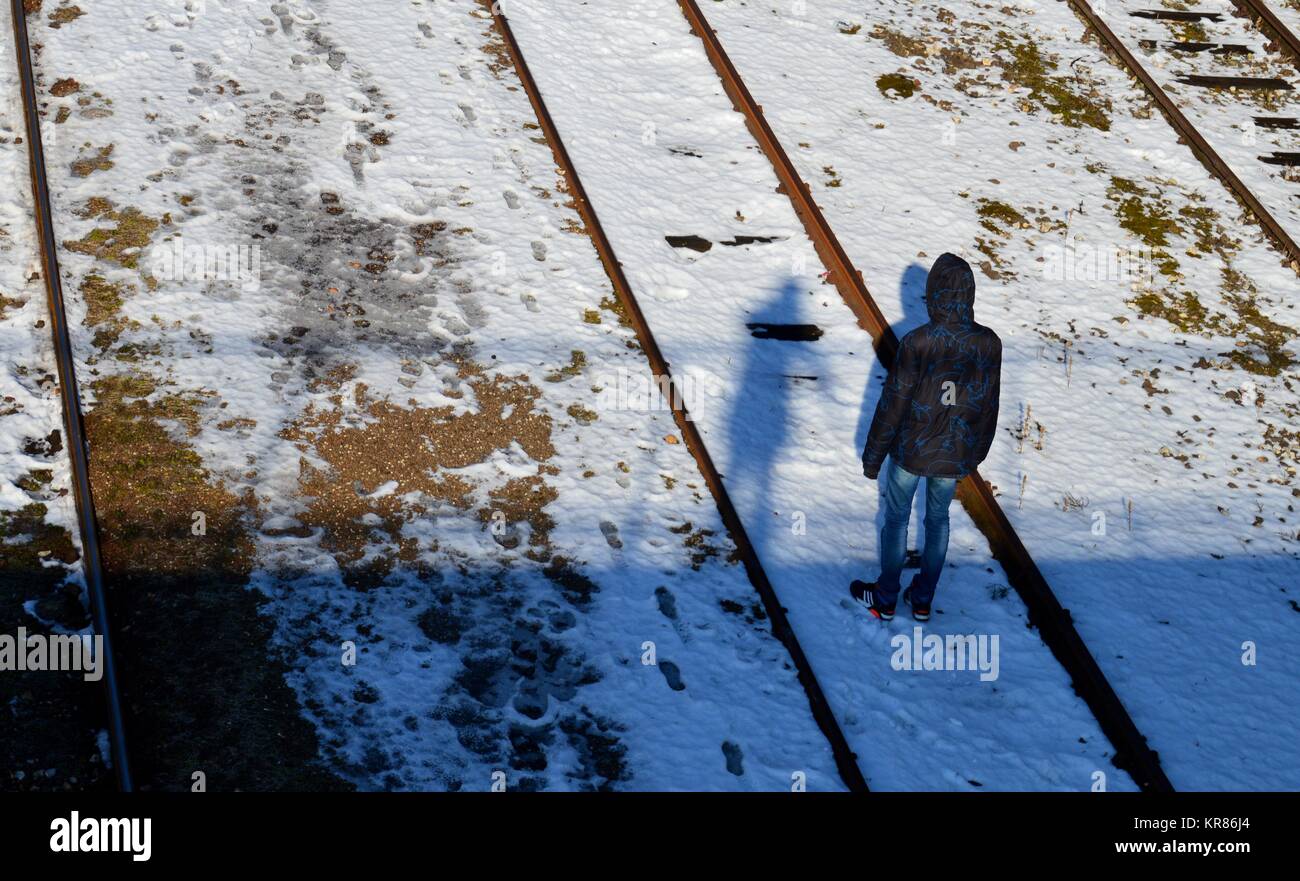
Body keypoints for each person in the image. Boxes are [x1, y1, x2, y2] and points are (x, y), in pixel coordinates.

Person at [853, 253, 1001, 622]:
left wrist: (874, 456)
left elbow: (893, 403)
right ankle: (922, 600)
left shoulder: (918, 342)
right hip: (952, 453)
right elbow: (989, 405)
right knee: (938, 521)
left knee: (897, 520)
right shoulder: (988, 343)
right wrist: (975, 454)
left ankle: (885, 598)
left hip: (910, 451)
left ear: (934, 294)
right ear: (969, 293)